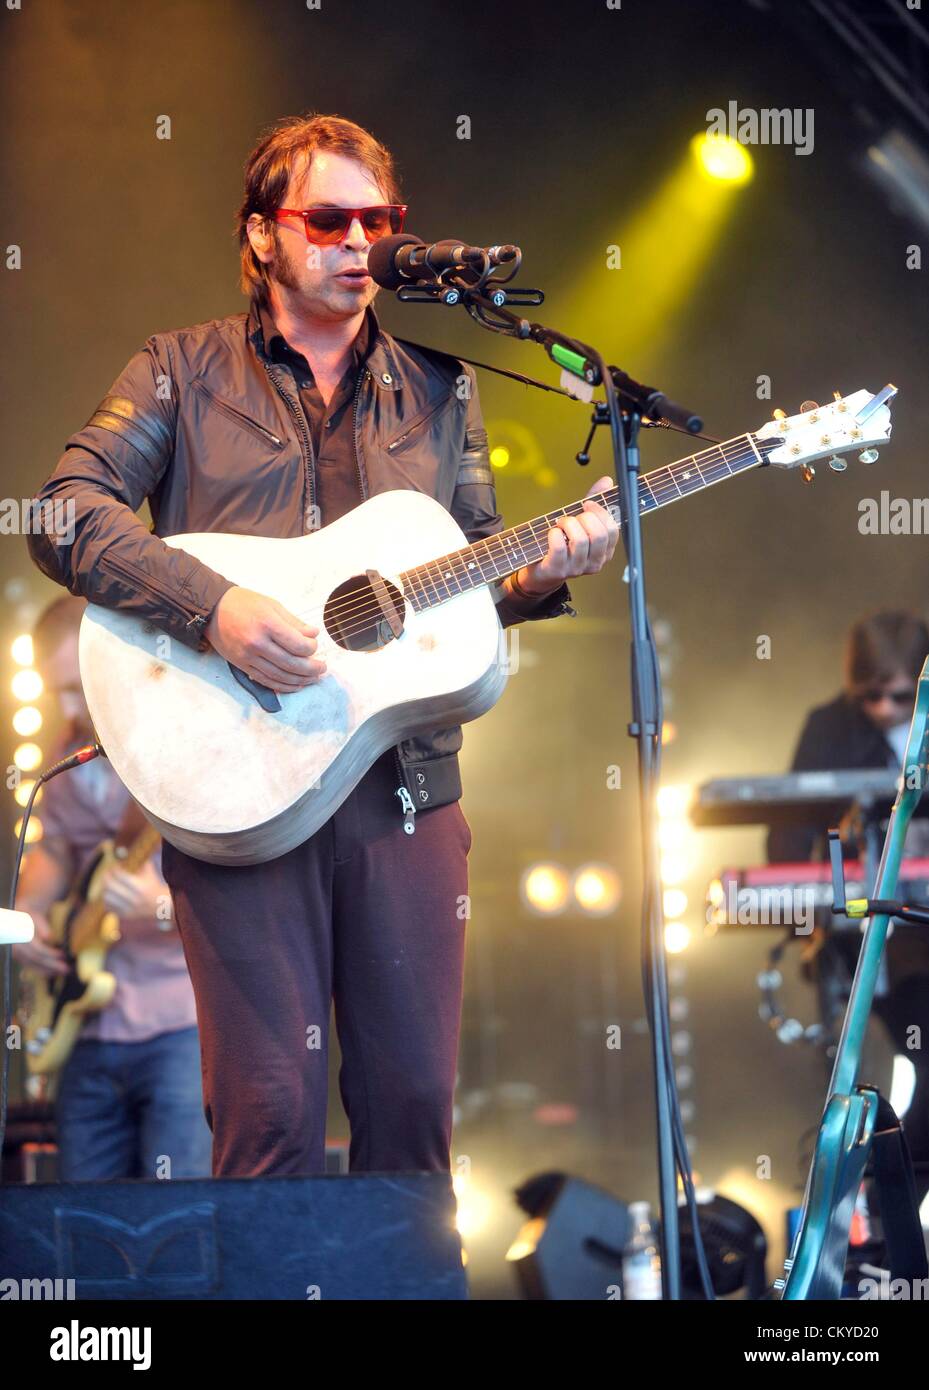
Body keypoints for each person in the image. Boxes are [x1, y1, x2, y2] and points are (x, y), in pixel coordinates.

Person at [26, 113, 620, 1179]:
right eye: (330, 218)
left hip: (403, 789)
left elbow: (473, 571)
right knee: (267, 1120)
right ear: (261, 235)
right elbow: (63, 513)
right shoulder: (179, 370)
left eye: (380, 221)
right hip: (236, 787)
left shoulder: (443, 390)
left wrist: (546, 567)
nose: (361, 241)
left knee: (410, 1117)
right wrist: (214, 605)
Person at [14, 595, 212, 1181]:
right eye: (59, 695)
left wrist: (161, 907)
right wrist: (29, 911)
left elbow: (246, 888)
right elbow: (54, 848)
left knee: (177, 1216)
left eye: (77, 687)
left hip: (178, 1023)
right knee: (85, 1220)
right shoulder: (66, 756)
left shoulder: (183, 747)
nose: (71, 708)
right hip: (87, 1026)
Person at [768, 610, 929, 1203]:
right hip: (876, 931)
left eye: (898, 695)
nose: (884, 709)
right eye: (869, 696)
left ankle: (888, 1209)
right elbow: (788, 829)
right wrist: (796, 898)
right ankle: (885, 1212)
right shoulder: (828, 726)